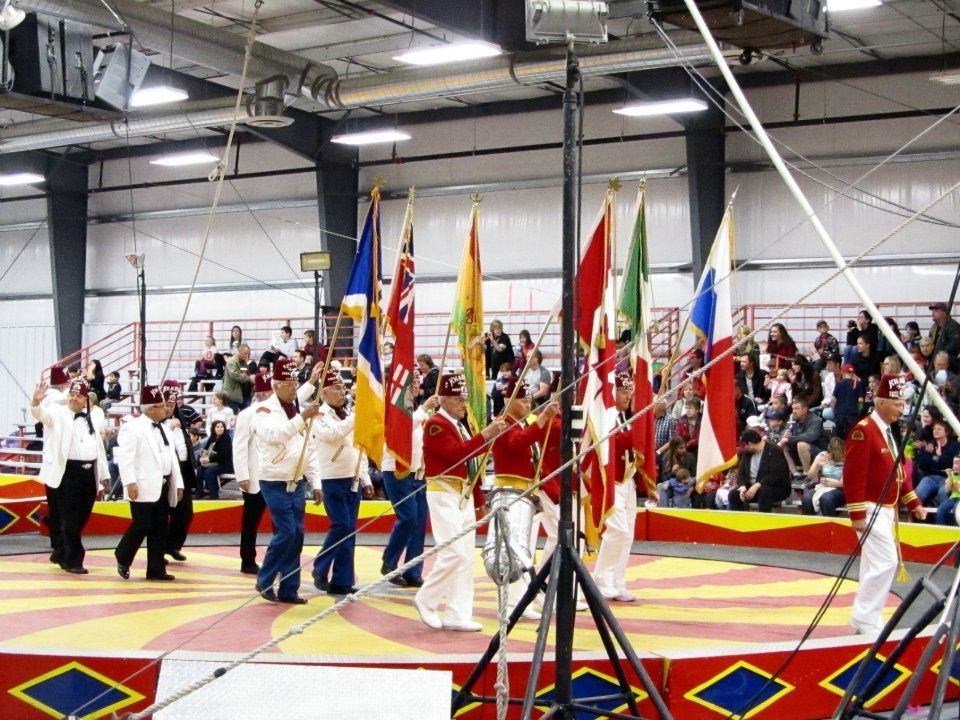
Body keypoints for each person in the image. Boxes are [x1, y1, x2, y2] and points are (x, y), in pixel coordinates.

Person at [414, 373, 505, 632]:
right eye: (457, 399)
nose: (463, 404)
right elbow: (456, 455)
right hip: (443, 493)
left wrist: (478, 500)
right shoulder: (435, 424)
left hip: (462, 495)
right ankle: (426, 599)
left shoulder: (460, 425)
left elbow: (472, 465)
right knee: (452, 551)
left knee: (465, 556)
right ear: (443, 400)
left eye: (464, 399)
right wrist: (485, 435)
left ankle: (458, 613)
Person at [845, 374, 925, 635]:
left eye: (903, 405)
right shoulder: (864, 431)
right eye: (897, 404)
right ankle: (866, 616)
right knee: (886, 562)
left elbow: (898, 471)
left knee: (872, 563)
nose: (902, 410)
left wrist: (913, 502)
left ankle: (865, 616)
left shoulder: (887, 431)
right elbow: (854, 474)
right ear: (880, 402)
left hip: (886, 509)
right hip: (870, 508)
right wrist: (856, 513)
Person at [251, 358, 322, 604]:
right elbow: (275, 435)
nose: (294, 387)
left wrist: (316, 482)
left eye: (295, 382)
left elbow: (308, 448)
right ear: (276, 385)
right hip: (274, 480)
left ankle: (290, 588)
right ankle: (265, 578)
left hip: (297, 480)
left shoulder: (293, 409)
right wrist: (303, 417)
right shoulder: (264, 411)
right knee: (287, 532)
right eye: (288, 383)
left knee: (298, 535)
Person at [489, 374, 559, 618]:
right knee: (514, 550)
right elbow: (518, 444)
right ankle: (510, 605)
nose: (528, 405)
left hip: (527, 493)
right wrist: (543, 418)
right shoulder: (503, 422)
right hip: (511, 494)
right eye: (522, 401)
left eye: (529, 401)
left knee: (525, 550)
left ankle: (522, 600)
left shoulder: (520, 423)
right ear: (508, 400)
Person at [30, 377, 109, 574]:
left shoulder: (92, 417)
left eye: (79, 396)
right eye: (72, 395)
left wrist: (104, 475)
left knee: (83, 516)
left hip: (89, 472)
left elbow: (99, 448)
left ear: (86, 400)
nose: (74, 399)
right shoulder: (58, 414)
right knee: (71, 518)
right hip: (67, 473)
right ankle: (74, 559)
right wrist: (36, 401)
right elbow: (41, 415)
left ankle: (61, 552)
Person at [311, 368, 374, 596]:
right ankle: (320, 565)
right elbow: (333, 434)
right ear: (324, 392)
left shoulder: (347, 414)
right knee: (342, 525)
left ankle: (342, 580)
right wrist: (357, 416)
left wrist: (365, 476)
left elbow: (360, 447)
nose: (342, 391)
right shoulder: (319, 415)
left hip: (352, 476)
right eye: (336, 388)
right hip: (331, 477)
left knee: (350, 529)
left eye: (343, 387)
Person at [114, 385, 185, 581]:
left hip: (162, 485)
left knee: (160, 527)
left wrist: (178, 483)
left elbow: (172, 459)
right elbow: (126, 458)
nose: (166, 410)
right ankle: (123, 555)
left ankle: (156, 568)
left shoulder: (165, 430)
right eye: (162, 406)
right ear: (151, 408)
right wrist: (130, 483)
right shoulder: (133, 427)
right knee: (142, 524)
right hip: (142, 485)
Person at [381, 374, 438, 588]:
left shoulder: (416, 408)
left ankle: (413, 571)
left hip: (418, 472)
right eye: (411, 382)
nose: (415, 386)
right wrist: (423, 410)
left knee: (419, 522)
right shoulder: (393, 406)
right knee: (408, 517)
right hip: (397, 469)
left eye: (416, 382)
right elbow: (399, 431)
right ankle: (390, 561)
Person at [593, 372, 643, 601]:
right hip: (611, 480)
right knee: (617, 530)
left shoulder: (624, 417)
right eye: (623, 391)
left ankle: (617, 580)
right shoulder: (607, 416)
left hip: (627, 479)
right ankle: (602, 578)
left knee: (628, 535)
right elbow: (616, 442)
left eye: (629, 391)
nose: (628, 395)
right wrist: (641, 430)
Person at [232, 371, 273, 574]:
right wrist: (242, 475)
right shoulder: (246, 414)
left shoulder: (278, 412)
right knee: (250, 521)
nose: (266, 395)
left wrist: (310, 383)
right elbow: (239, 446)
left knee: (279, 521)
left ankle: (278, 559)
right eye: (263, 391)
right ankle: (247, 560)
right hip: (254, 476)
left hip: (275, 475)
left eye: (269, 391)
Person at [162, 380, 197, 563]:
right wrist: (168, 426)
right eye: (167, 403)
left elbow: (186, 445)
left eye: (173, 403)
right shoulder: (158, 423)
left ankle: (173, 545)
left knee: (185, 512)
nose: (170, 407)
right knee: (163, 513)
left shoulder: (181, 418)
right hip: (166, 473)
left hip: (183, 470)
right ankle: (160, 549)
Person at [729, 429, 791, 512]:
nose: (745, 448)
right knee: (733, 494)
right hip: (751, 487)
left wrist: (758, 485)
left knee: (764, 492)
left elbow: (776, 475)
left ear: (750, 443)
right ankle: (740, 520)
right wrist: (742, 486)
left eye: (745, 445)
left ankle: (764, 520)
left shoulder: (774, 450)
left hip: (774, 487)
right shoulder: (746, 454)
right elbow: (741, 473)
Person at [779, 398, 826, 475]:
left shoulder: (815, 420)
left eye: (797, 408)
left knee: (801, 445)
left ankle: (806, 474)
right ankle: (795, 474)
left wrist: (790, 438)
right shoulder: (793, 418)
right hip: (798, 450)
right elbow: (783, 434)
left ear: (805, 409)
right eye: (793, 408)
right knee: (783, 445)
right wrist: (784, 435)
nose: (794, 411)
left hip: (818, 450)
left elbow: (810, 436)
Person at [801, 437, 846, 516]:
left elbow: (844, 483)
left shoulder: (848, 458)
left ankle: (829, 525)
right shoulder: (822, 455)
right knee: (806, 498)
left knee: (826, 498)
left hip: (841, 488)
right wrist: (817, 465)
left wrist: (830, 484)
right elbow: (810, 476)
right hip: (823, 485)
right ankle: (811, 524)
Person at [196, 420, 234, 500]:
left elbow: (223, 456)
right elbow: (205, 450)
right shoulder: (212, 438)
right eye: (217, 427)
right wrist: (202, 457)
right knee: (199, 470)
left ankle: (214, 495)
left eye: (221, 427)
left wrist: (209, 459)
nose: (220, 429)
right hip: (213, 463)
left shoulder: (226, 439)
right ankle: (199, 492)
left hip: (225, 464)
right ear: (214, 428)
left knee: (209, 472)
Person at [223, 343, 253, 413]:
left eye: (248, 354)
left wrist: (249, 377)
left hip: (245, 394)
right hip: (233, 396)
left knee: (246, 416)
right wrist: (249, 378)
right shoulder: (231, 361)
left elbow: (245, 374)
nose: (247, 356)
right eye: (245, 353)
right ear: (239, 351)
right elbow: (235, 375)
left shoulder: (244, 362)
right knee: (233, 416)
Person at [935, 455, 960, 525]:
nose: (955, 466)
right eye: (954, 463)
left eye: (957, 463)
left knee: (957, 510)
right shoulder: (952, 474)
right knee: (941, 509)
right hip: (953, 499)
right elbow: (947, 490)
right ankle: (940, 530)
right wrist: (949, 476)